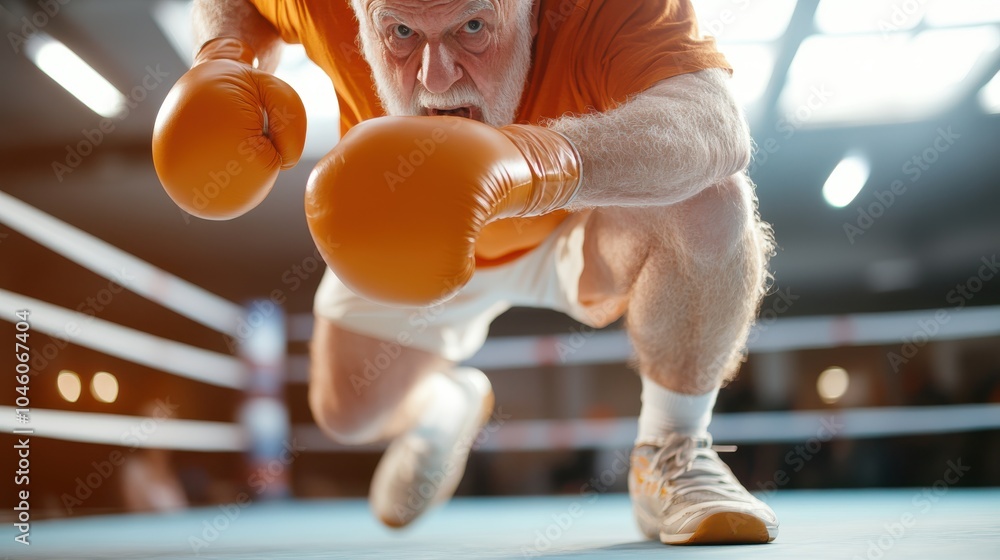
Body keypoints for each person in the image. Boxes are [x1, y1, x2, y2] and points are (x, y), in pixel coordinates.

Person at [153, 0, 778, 545]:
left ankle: (673, 449)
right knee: (345, 414)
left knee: (712, 200)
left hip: (572, 227)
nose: (435, 76)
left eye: (472, 26)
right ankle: (443, 404)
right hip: (397, 226)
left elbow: (714, 124)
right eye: (400, 33)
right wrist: (225, 54)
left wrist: (532, 163)